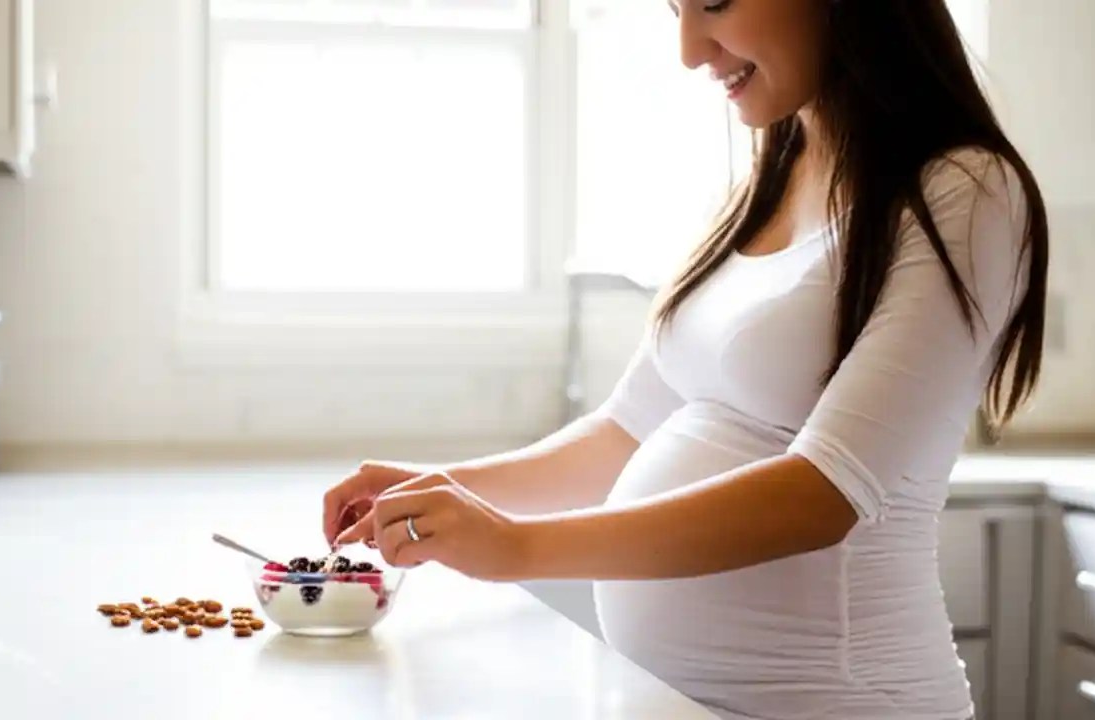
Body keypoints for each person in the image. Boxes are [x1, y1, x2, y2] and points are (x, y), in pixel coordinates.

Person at [323, 0, 1048, 718]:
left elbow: (821, 496)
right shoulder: (765, 184)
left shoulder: (965, 191)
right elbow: (626, 429)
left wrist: (515, 549)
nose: (690, 50)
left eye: (714, 3)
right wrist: (440, 487)